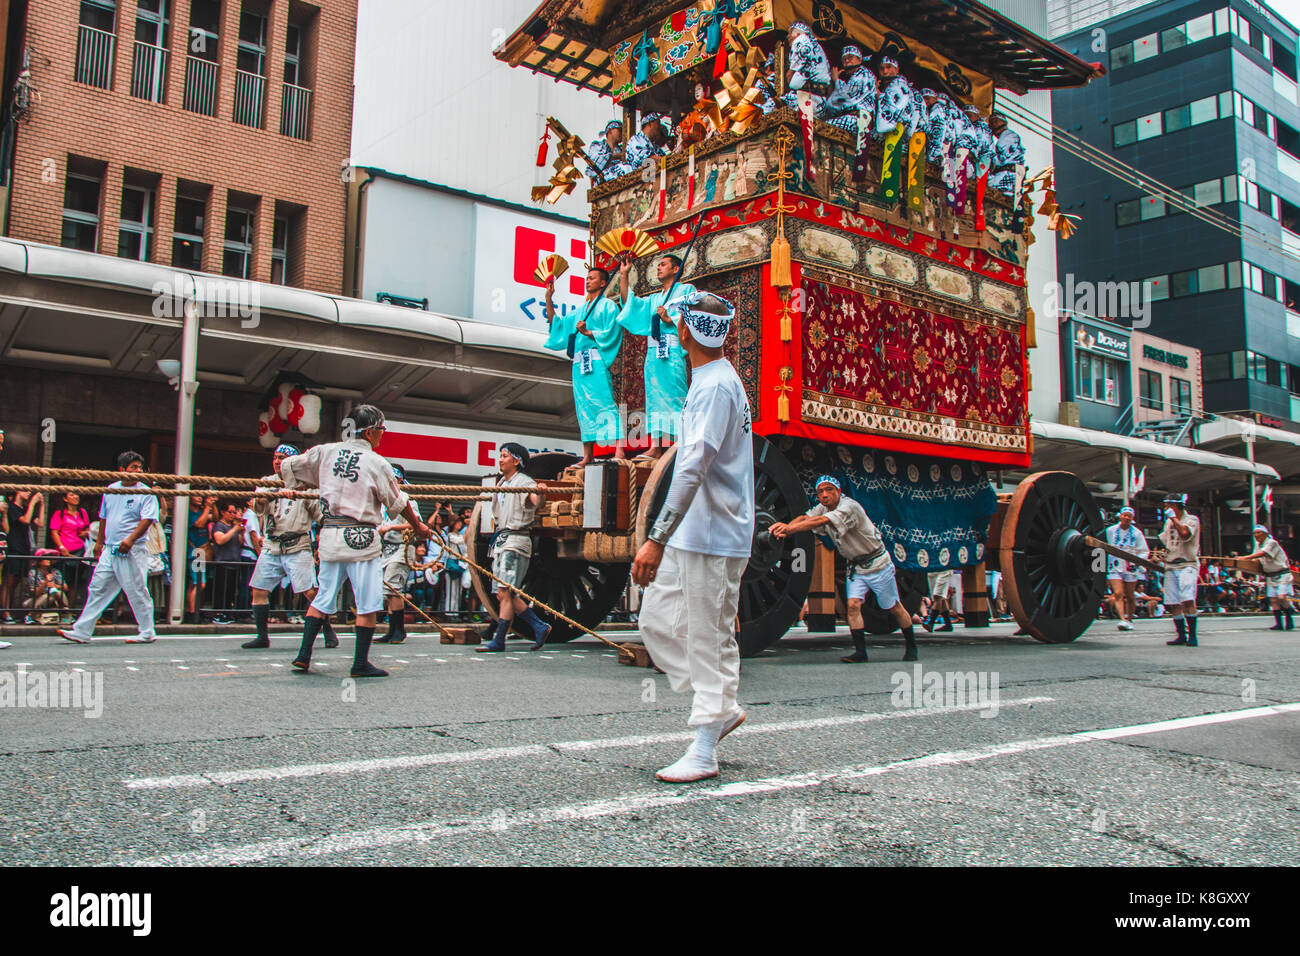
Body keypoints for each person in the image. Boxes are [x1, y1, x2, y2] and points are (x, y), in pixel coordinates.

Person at [631, 290, 753, 784]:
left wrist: (655, 537)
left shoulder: (715, 386)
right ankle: (720, 703)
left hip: (712, 533)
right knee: (657, 621)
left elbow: (691, 468)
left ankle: (705, 743)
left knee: (708, 637)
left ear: (685, 332)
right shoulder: (713, 380)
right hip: (695, 532)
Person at [281, 405, 429, 678]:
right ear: (371, 431)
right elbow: (398, 501)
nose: (382, 436)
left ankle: (303, 655)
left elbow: (287, 466)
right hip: (361, 537)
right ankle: (359, 663)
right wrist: (418, 526)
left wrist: (309, 485)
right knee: (368, 601)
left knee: (323, 597)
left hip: (330, 534)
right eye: (381, 430)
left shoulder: (324, 452)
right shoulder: (376, 462)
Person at [771, 476, 918, 663]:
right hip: (856, 566)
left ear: (839, 491)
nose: (825, 495)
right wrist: (784, 527)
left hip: (877, 563)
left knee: (893, 607)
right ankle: (860, 652)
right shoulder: (823, 508)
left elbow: (819, 521)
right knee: (853, 606)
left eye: (829, 490)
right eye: (820, 492)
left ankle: (911, 646)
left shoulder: (849, 507)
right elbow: (806, 517)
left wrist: (789, 530)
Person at [242, 444, 339, 650]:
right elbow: (258, 505)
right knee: (259, 590)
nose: (278, 461)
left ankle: (327, 627)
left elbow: (320, 515)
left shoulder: (308, 485)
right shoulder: (267, 482)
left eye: (283, 458)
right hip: (272, 543)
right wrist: (274, 493)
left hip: (298, 543)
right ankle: (262, 636)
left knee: (310, 592)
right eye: (276, 457)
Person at [58, 451, 159, 644]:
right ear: (122, 470)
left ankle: (147, 631)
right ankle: (82, 630)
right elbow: (104, 516)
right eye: (133, 467)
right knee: (97, 588)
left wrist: (129, 540)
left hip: (131, 549)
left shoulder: (146, 492)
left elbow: (148, 519)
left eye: (140, 467)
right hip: (110, 549)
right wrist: (99, 542)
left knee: (137, 590)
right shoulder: (111, 489)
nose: (138, 471)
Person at [544, 264, 625, 465]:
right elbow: (558, 326)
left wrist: (589, 332)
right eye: (587, 277)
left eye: (592, 278)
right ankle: (588, 454)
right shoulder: (580, 311)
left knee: (603, 403)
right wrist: (548, 298)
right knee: (583, 408)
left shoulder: (608, 306)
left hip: (595, 360)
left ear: (603, 283)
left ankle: (619, 449)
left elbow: (612, 332)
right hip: (579, 363)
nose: (587, 280)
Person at [617, 254, 696, 456]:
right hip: (653, 353)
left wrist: (670, 319)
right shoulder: (654, 298)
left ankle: (682, 441)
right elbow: (630, 305)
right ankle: (656, 446)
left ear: (676, 268)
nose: (659, 268)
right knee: (653, 398)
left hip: (671, 350)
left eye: (663, 264)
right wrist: (624, 275)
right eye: (658, 265)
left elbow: (694, 315)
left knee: (675, 394)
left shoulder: (686, 290)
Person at [478, 442, 551, 653]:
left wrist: (542, 492)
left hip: (516, 541)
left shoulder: (525, 482)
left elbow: (537, 502)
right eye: (500, 456)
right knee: (503, 594)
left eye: (505, 456)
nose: (500, 460)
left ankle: (499, 640)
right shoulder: (501, 483)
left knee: (505, 591)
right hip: (502, 540)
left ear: (517, 460)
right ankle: (539, 626)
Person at [376, 463, 422, 644]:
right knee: (388, 590)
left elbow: (416, 524)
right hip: (387, 548)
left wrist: (392, 526)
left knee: (394, 589)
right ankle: (391, 629)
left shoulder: (408, 499)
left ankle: (399, 630)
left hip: (403, 547)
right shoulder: (383, 500)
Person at [1158, 493, 1201, 647]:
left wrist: (1173, 519)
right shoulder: (1168, 524)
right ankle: (1181, 635)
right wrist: (1161, 556)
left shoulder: (1191, 520)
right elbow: (1167, 543)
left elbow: (1184, 534)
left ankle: (1193, 635)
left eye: (1167, 505)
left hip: (1187, 564)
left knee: (1187, 599)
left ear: (1174, 505)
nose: (1165, 508)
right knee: (1173, 602)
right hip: (1171, 564)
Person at [1105, 506, 1149, 631]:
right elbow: (1104, 547)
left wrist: (1139, 563)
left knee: (1130, 595)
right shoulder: (1111, 531)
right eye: (1124, 515)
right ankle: (1122, 619)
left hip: (1130, 566)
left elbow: (1144, 550)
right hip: (1114, 564)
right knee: (1118, 593)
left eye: (1129, 516)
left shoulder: (1136, 533)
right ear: (1120, 516)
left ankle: (1129, 618)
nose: (1126, 518)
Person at [2, 489, 43, 623]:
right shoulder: (12, 508)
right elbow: (25, 520)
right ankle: (5, 612)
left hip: (24, 549)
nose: (28, 493)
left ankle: (8, 611)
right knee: (9, 582)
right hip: (14, 547)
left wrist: (41, 505)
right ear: (17, 492)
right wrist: (33, 502)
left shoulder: (25, 508)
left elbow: (40, 523)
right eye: (25, 490)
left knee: (16, 582)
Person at [1244, 524, 1294, 630]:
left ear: (1265, 534)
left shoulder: (1272, 543)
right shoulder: (1258, 545)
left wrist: (1245, 557)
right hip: (1270, 575)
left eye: (1258, 533)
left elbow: (1262, 554)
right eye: (1255, 533)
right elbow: (1256, 559)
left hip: (1282, 574)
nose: (1256, 535)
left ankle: (1289, 615)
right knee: (1273, 600)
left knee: (1281, 597)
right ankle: (1279, 623)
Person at [820, 44, 876, 134]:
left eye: (850, 57)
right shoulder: (859, 75)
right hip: (859, 119)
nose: (846, 61)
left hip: (858, 119)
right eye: (844, 59)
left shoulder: (862, 73)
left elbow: (845, 95)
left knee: (823, 127)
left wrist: (836, 79)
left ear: (860, 59)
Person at [782, 20, 831, 108]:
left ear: (798, 33)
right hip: (820, 101)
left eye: (790, 33)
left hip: (805, 98)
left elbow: (804, 50)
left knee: (772, 106)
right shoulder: (818, 47)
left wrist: (792, 70)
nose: (788, 36)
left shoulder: (801, 39)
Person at [611, 113, 670, 177]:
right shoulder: (635, 140)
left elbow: (665, 159)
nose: (659, 127)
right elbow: (648, 158)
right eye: (658, 124)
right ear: (650, 124)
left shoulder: (656, 148)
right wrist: (666, 160)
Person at [987, 112, 1026, 196]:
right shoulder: (1008, 136)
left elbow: (999, 160)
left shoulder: (1008, 136)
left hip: (1007, 174)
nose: (994, 124)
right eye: (992, 123)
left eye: (996, 121)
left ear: (1004, 122)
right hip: (1011, 175)